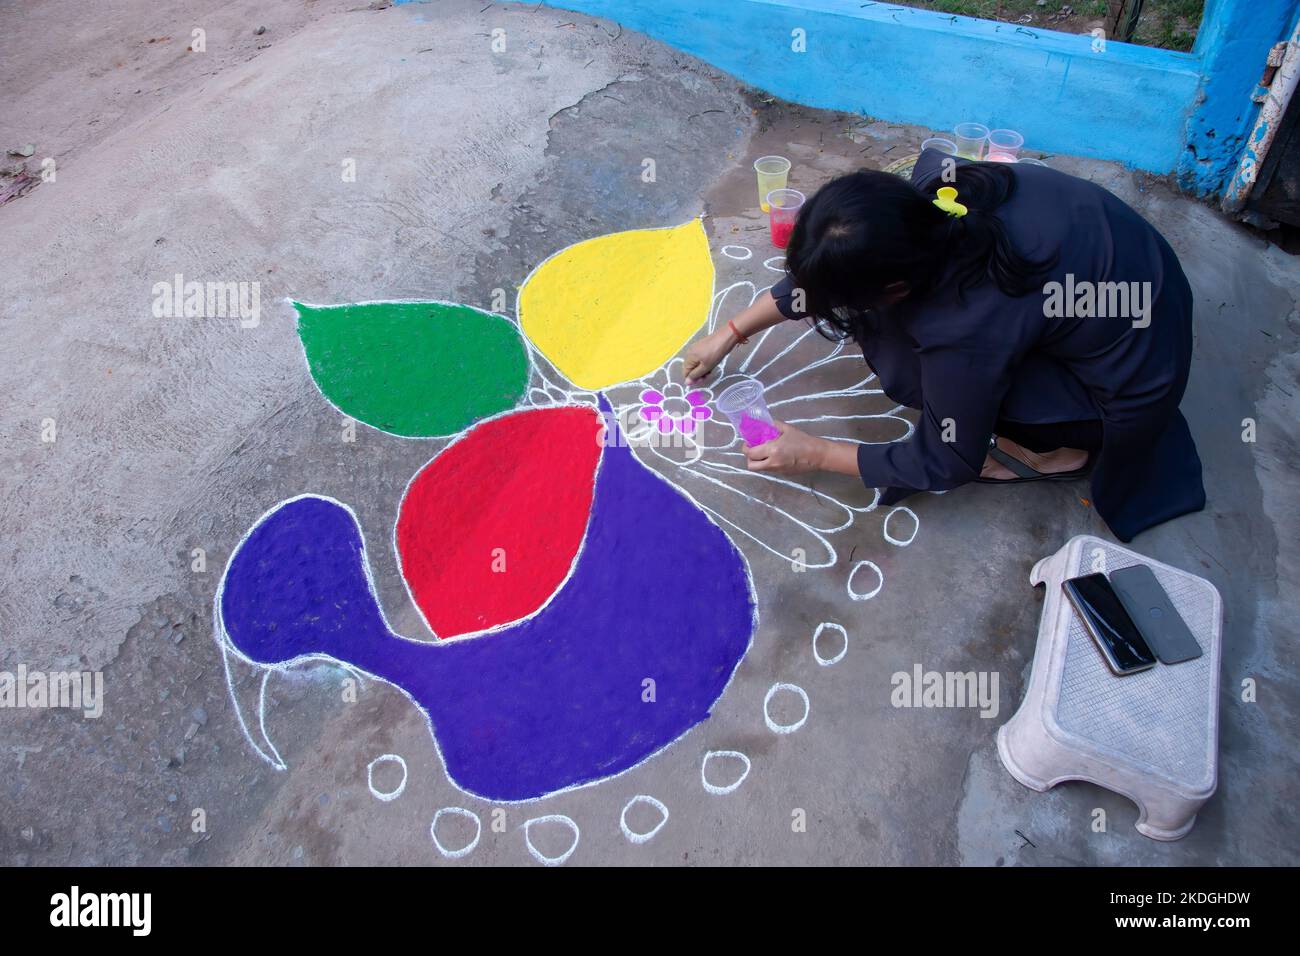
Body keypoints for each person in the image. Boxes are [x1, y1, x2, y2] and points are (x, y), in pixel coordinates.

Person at [682, 150, 1205, 542]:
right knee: (894, 335)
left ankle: (1057, 453)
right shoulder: (939, 197)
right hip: (1134, 307)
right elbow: (839, 269)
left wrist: (814, 452)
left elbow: (946, 461)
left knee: (909, 369)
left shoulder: (969, 322)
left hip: (1119, 394)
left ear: (895, 287)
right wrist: (731, 331)